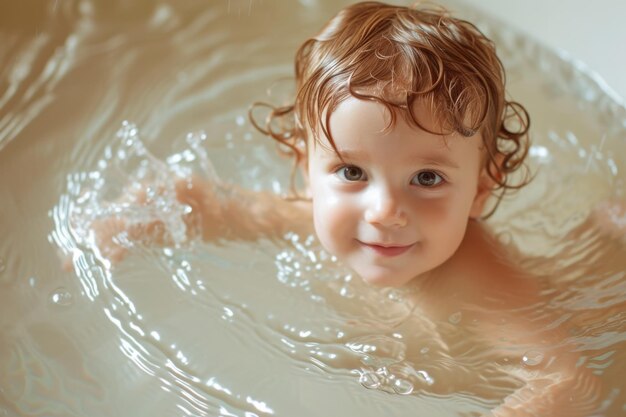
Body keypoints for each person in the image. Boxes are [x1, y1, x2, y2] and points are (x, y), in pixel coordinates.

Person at [79, 2, 609, 415]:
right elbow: (211, 204)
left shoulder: (478, 281)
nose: (383, 211)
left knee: (598, 278)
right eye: (352, 173)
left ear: (482, 189)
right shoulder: (314, 218)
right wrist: (127, 219)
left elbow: (567, 379)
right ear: (304, 165)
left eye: (427, 178)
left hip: (574, 303)